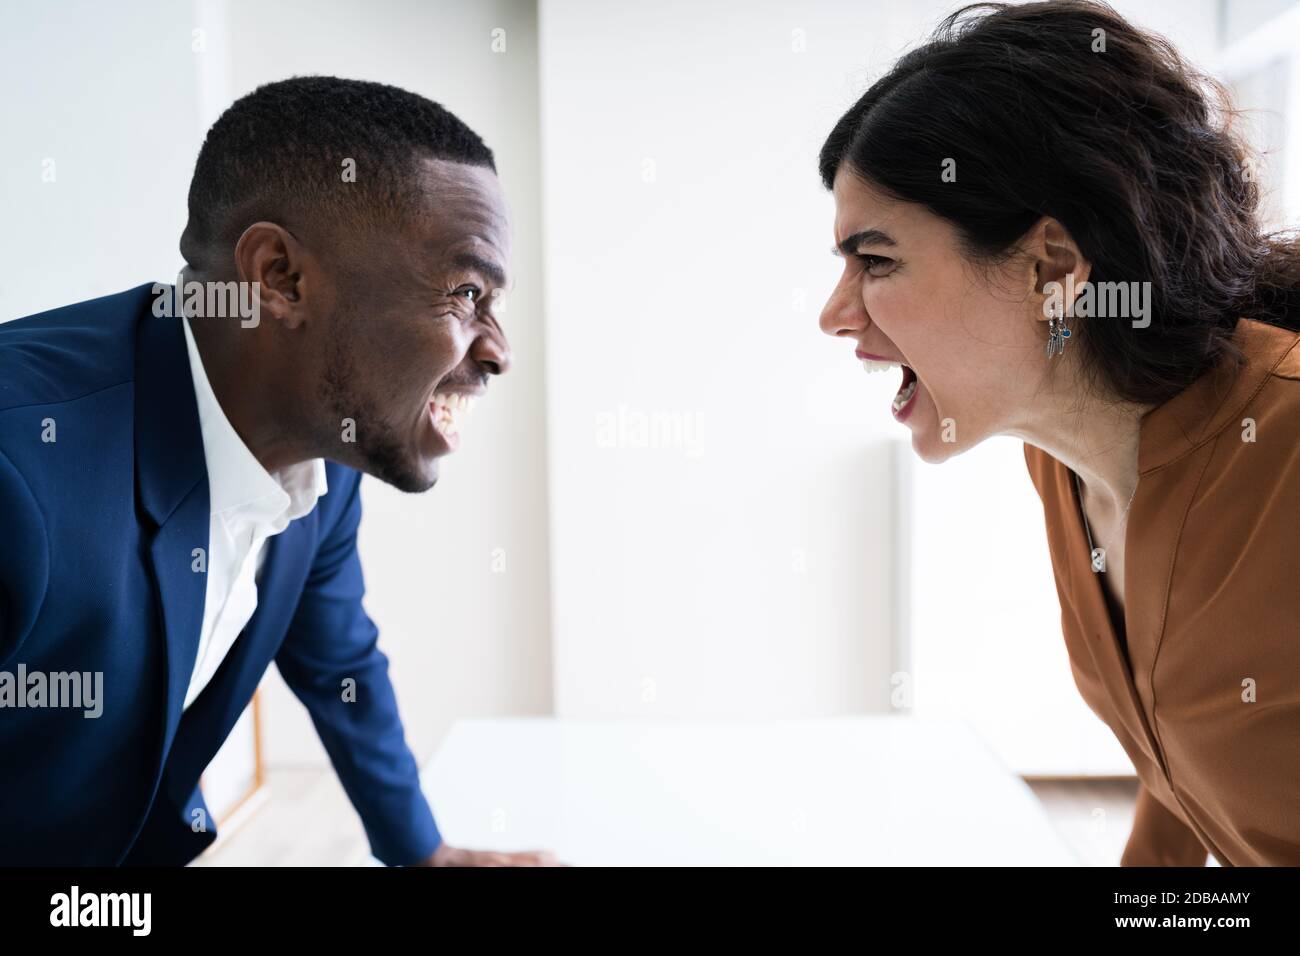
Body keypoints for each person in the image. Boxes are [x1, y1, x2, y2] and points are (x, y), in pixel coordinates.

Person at [0, 76, 555, 866]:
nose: (497, 350)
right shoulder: (18, 468)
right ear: (279, 277)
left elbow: (340, 664)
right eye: (467, 292)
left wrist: (423, 854)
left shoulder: (323, 458)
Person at [817, 1, 1300, 865]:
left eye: (877, 260)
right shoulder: (1066, 464)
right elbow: (1181, 784)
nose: (835, 313)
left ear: (1053, 271)